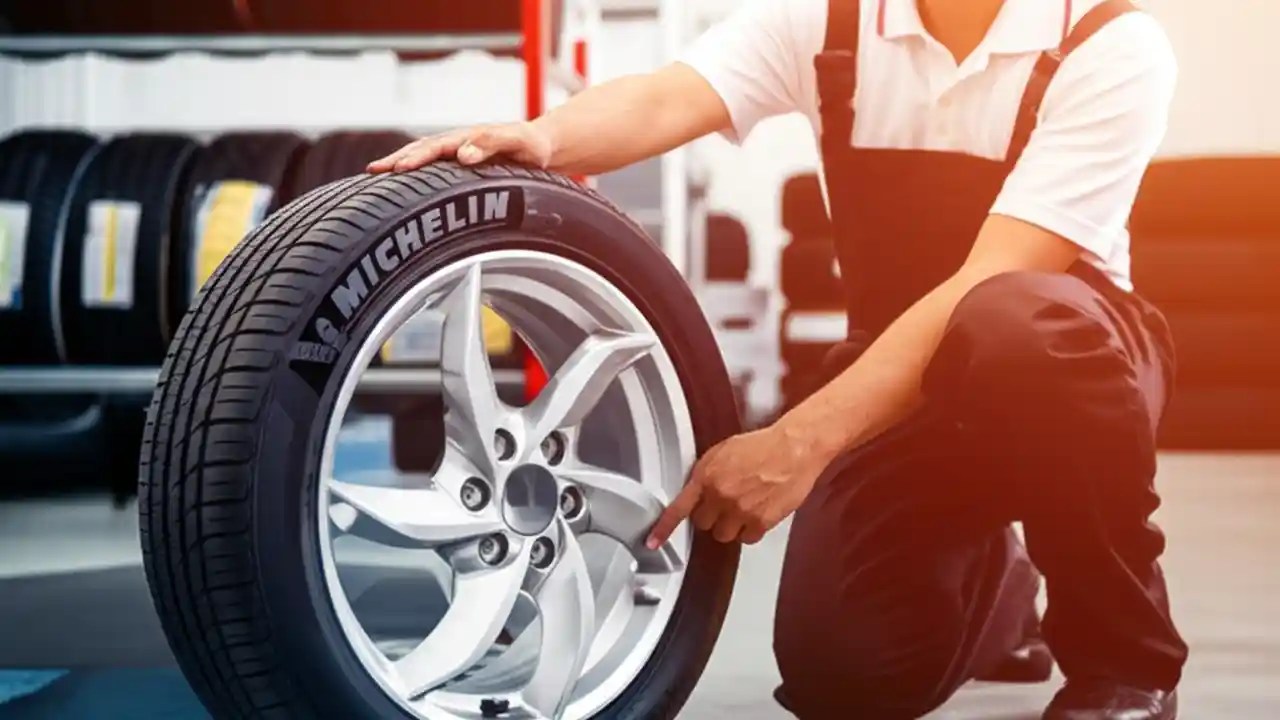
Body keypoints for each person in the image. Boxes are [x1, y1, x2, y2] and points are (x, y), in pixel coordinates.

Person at [369, 0, 1187, 717]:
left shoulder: (1107, 43)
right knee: (845, 680)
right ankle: (1003, 598)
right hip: (901, 373)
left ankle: (1124, 668)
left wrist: (797, 442)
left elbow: (995, 274)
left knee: (1014, 327)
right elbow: (666, 97)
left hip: (1071, 355)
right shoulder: (830, 24)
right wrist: (544, 137)